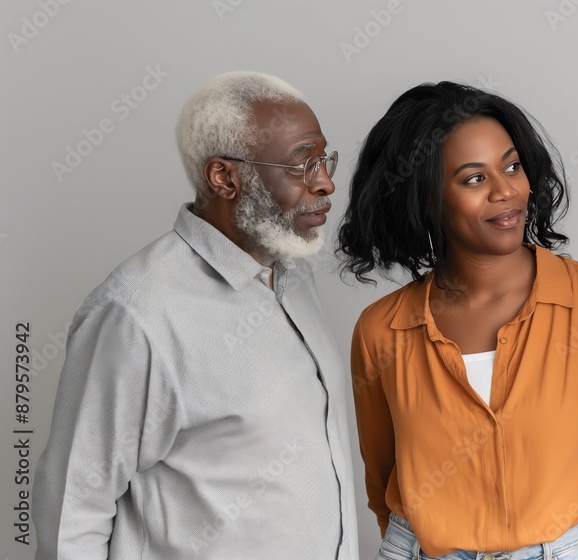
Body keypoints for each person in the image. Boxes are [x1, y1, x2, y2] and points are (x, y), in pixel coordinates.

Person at [33, 71, 359, 560]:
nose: (326, 182)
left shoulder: (293, 276)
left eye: (323, 160)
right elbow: (71, 517)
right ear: (224, 178)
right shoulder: (136, 314)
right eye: (301, 165)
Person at [338, 81, 578, 560]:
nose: (506, 190)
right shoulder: (380, 331)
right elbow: (384, 483)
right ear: (426, 199)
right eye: (474, 179)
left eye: (512, 166)